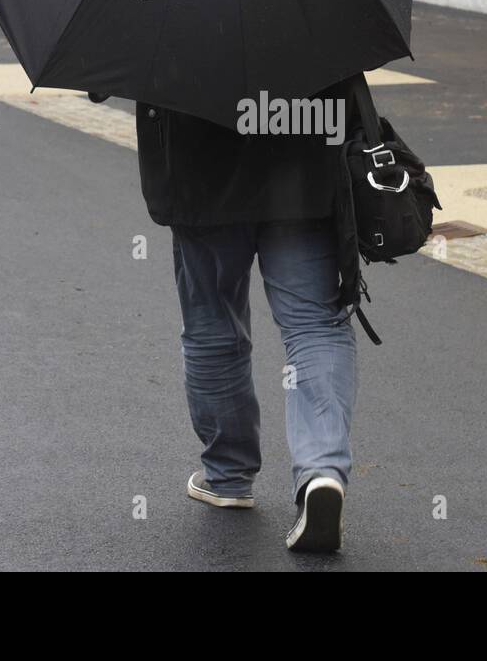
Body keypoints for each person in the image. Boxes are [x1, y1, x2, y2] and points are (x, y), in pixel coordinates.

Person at [111, 79, 362, 553]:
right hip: (301, 163)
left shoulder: (164, 3)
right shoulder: (315, 2)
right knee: (314, 325)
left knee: (212, 325)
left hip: (201, 165)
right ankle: (322, 472)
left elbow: (114, 68)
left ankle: (227, 476)